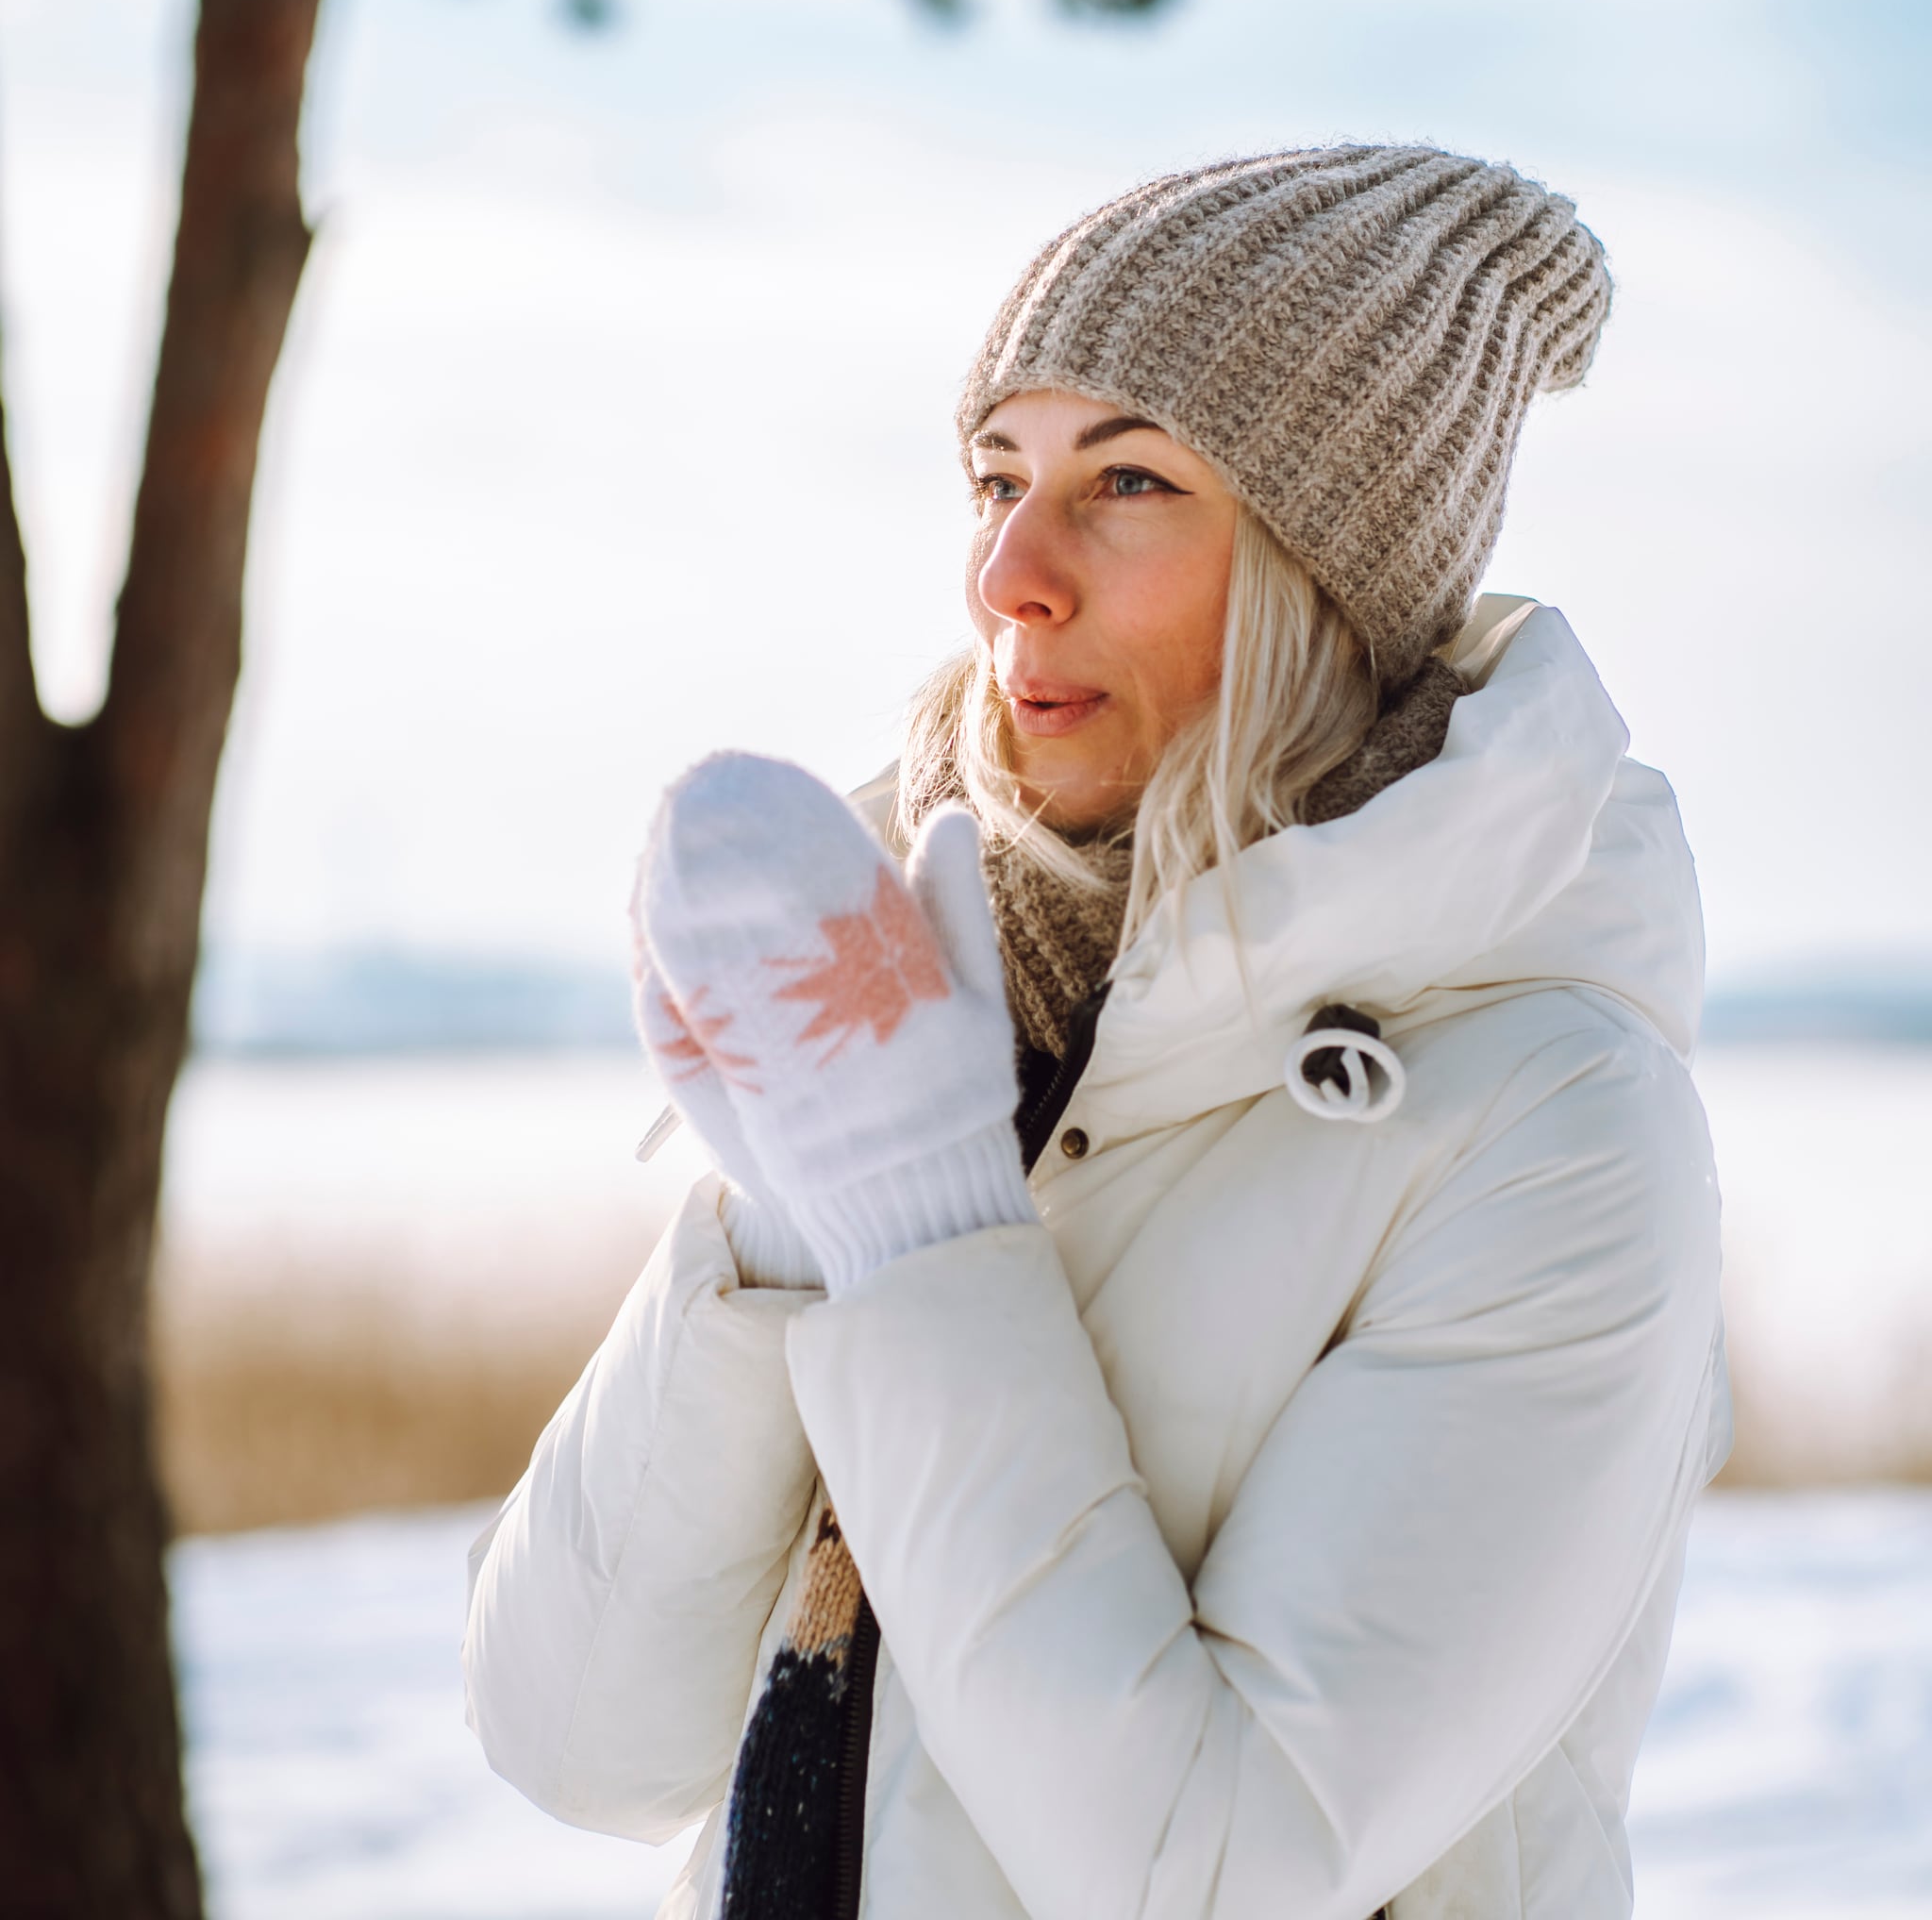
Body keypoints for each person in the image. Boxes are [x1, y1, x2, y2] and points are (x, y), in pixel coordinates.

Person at [461, 144, 1730, 1920]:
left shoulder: (1553, 1124)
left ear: (1332, 565)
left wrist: (919, 1225)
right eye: (996, 476)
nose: (1008, 574)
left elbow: (1215, 1873)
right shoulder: (951, 1005)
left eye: (1125, 480)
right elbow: (573, 1741)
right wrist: (781, 1210)